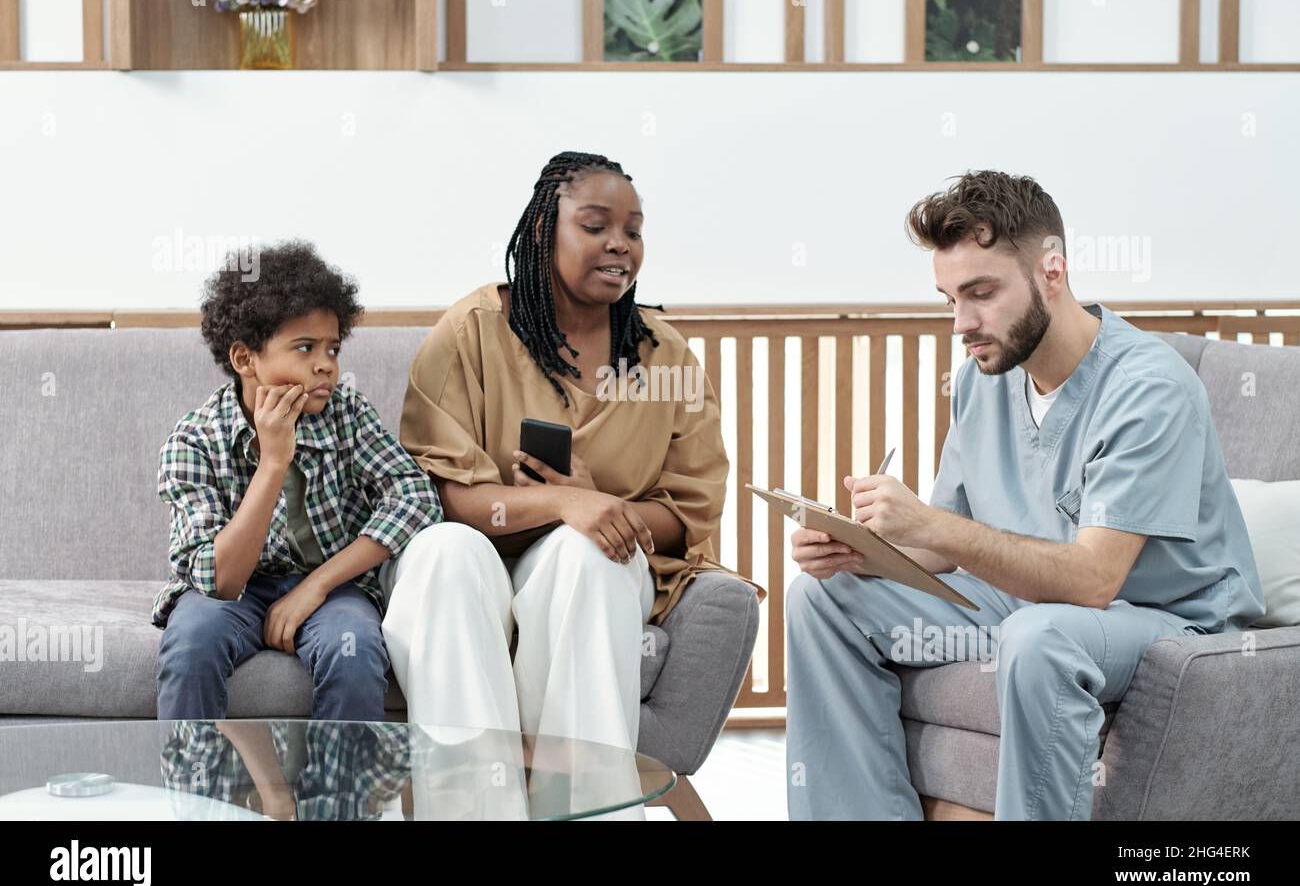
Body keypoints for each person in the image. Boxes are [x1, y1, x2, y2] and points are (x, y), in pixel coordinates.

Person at [785, 170, 1264, 820]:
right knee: (823, 597)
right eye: (949, 298)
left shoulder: (1147, 387)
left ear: (1051, 274)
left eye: (980, 293)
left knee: (1040, 638)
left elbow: (1095, 582)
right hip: (1022, 605)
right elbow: (943, 546)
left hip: (1163, 620)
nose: (962, 322)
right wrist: (858, 551)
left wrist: (929, 525)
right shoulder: (983, 380)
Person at [383, 151, 761, 760]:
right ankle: (476, 801)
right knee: (445, 552)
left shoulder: (665, 356)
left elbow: (688, 517)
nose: (620, 245)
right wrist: (564, 500)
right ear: (543, 230)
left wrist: (601, 513)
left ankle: (583, 797)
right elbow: (443, 501)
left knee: (590, 554)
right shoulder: (470, 332)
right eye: (595, 227)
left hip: (597, 566)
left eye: (633, 231)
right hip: (476, 555)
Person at [154, 241, 442, 722]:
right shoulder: (194, 440)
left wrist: (317, 585)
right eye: (305, 348)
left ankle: (340, 798)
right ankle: (194, 797)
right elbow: (220, 580)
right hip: (231, 592)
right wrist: (272, 463)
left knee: (353, 651)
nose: (326, 364)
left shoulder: (346, 413)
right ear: (246, 359)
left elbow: (414, 496)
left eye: (333, 347)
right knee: (190, 646)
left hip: (332, 588)